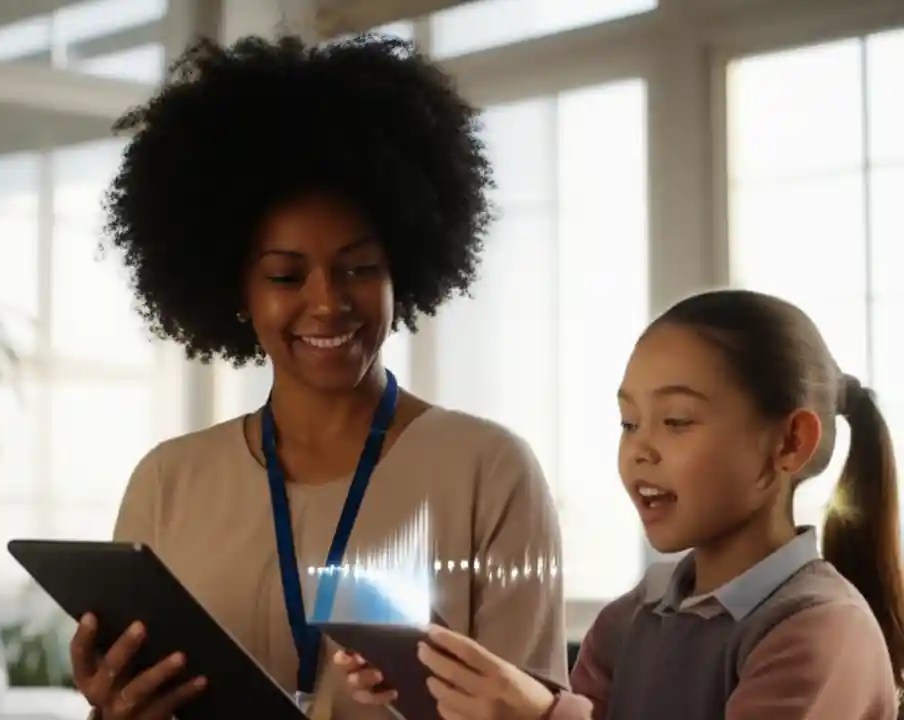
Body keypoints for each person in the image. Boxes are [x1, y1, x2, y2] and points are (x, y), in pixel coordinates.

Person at [67, 34, 566, 720]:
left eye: (360, 268)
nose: (329, 301)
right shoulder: (169, 482)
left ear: (403, 269)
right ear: (235, 290)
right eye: (286, 275)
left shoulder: (487, 470)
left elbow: (533, 709)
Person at [347, 288, 903, 719]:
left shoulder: (822, 632)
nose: (640, 450)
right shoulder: (632, 619)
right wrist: (438, 696)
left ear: (789, 443)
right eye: (629, 423)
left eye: (677, 421)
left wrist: (540, 715)